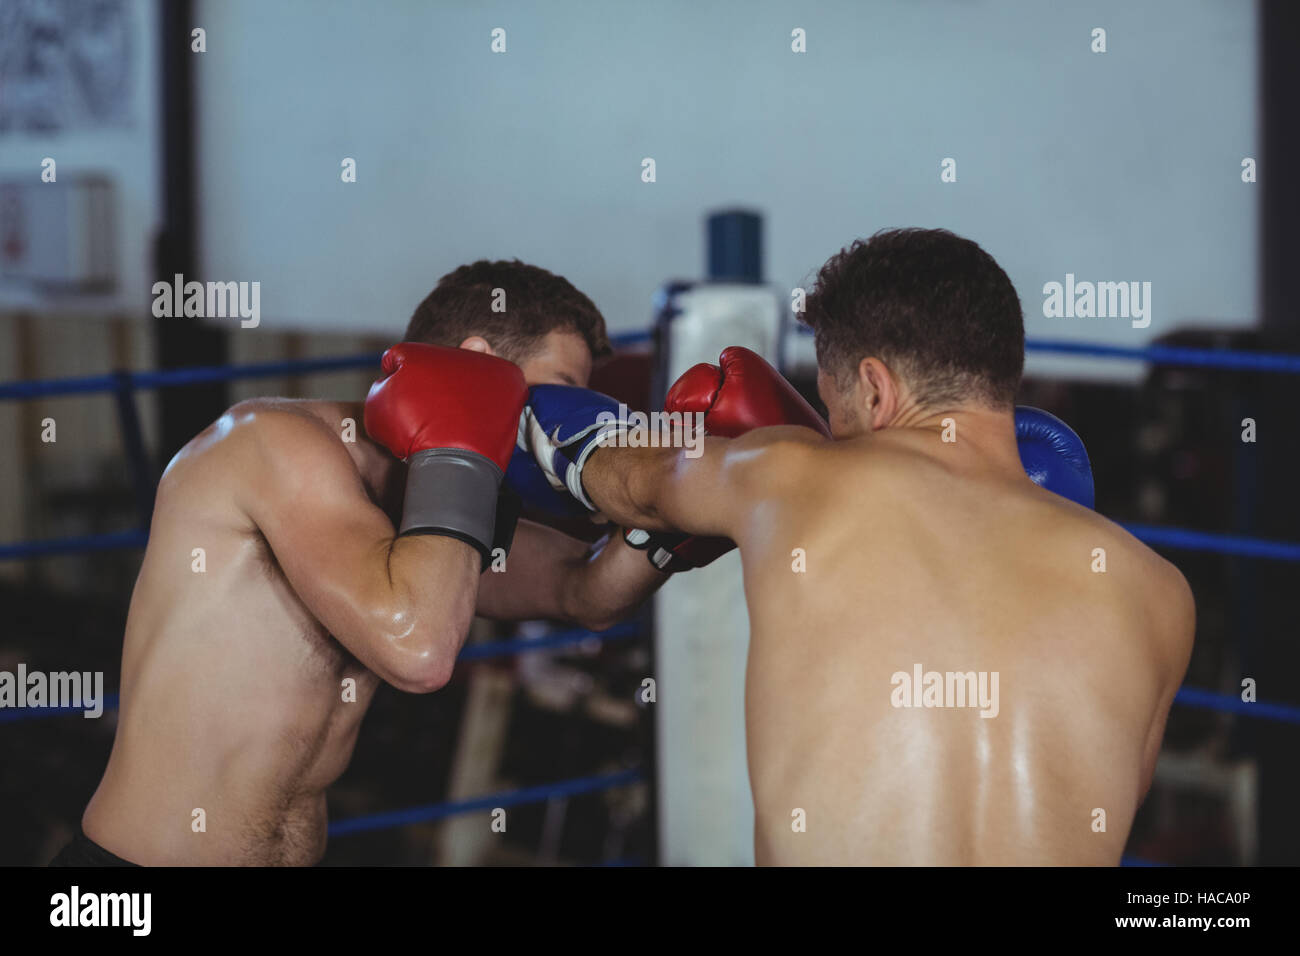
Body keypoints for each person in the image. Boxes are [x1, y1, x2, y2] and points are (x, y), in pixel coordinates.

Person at [510, 228, 1196, 865]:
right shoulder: (1158, 594)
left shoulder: (788, 474)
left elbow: (616, 469)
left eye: (832, 411)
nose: (827, 431)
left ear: (874, 389)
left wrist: (515, 398)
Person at [55, 260, 667, 866]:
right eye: (555, 389)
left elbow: (587, 591)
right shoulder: (270, 442)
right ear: (479, 365)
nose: (554, 427)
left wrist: (677, 517)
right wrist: (462, 447)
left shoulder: (429, 506)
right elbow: (418, 651)